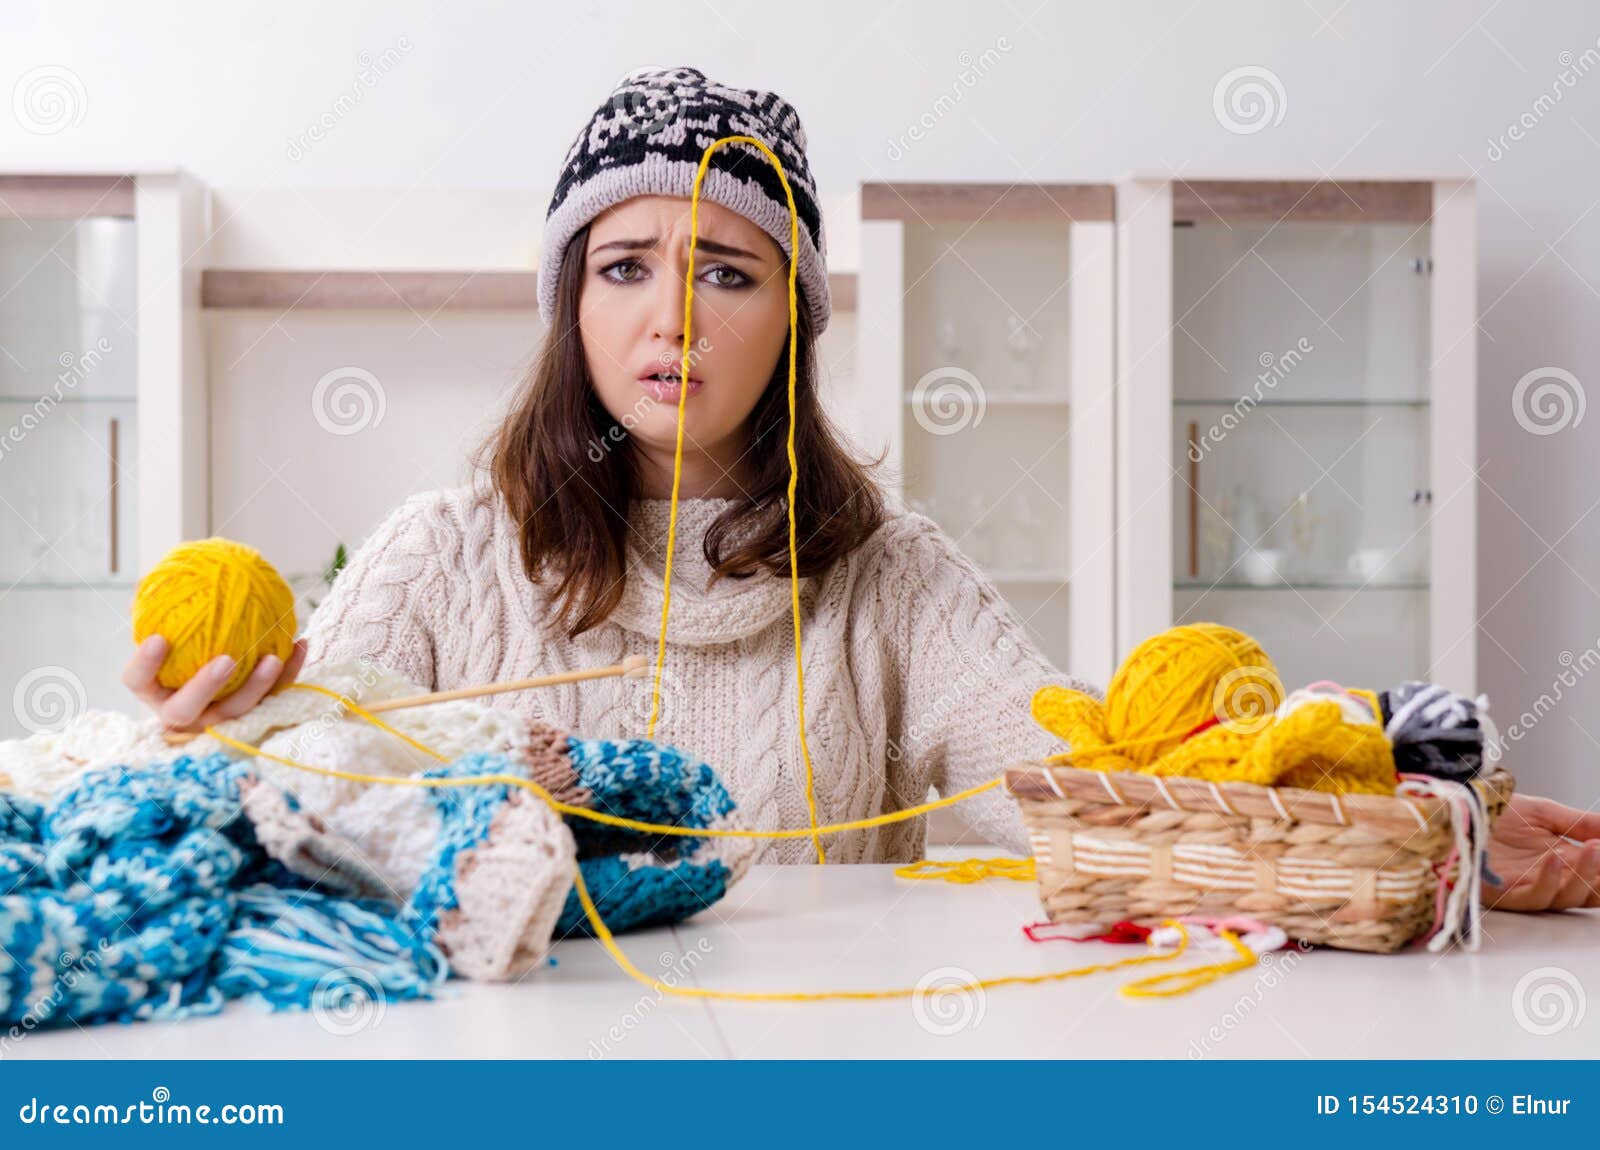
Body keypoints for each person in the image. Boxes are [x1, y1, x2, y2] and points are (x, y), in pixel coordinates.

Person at [124, 66, 1600, 909]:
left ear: (799, 312)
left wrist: (1410, 811)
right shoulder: (447, 554)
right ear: (570, 304)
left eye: (726, 270)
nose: (673, 316)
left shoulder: (894, 575)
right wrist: (213, 746)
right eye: (625, 268)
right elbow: (310, 794)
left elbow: (1094, 788)